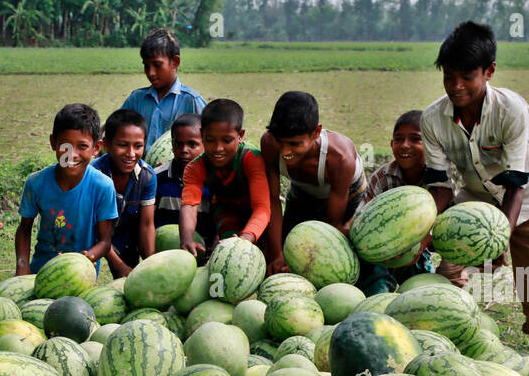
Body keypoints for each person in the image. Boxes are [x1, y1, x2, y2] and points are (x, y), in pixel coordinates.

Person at [419, 21, 529, 351]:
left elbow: (515, 183)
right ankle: (450, 349)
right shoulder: (433, 119)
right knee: (448, 272)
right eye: (449, 77)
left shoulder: (511, 109)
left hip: (528, 204)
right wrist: (424, 230)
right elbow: (439, 185)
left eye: (467, 77)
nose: (456, 86)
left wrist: (498, 243)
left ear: (489, 71)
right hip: (476, 200)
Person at [260, 90, 368, 273]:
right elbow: (272, 201)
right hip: (302, 193)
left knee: (330, 257)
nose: (285, 152)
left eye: (294, 144)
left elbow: (331, 227)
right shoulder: (269, 144)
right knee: (279, 250)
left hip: (349, 198)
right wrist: (278, 253)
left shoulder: (339, 158)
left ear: (316, 132)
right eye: (281, 142)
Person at [14, 104, 118, 275]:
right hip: (40, 272)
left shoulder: (103, 187)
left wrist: (86, 258)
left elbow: (105, 242)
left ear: (96, 148)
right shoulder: (36, 183)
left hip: (81, 277)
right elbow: (24, 229)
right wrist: (22, 265)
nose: (72, 154)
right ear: (53, 143)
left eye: (82, 146)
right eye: (65, 145)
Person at [353, 110, 445, 293]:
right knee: (375, 287)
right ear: (391, 144)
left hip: (417, 253)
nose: (405, 146)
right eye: (398, 139)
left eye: (415, 139)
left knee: (420, 292)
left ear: (430, 145)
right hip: (379, 255)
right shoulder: (381, 177)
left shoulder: (438, 182)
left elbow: (443, 224)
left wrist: (421, 244)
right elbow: (362, 219)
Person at [179, 98, 271, 258]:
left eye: (227, 140)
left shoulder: (251, 159)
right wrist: (187, 238)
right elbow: (189, 205)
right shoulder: (195, 167)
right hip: (227, 212)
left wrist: (246, 239)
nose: (218, 148)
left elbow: (262, 208)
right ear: (201, 135)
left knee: (264, 254)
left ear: (240, 135)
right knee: (231, 257)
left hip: (257, 215)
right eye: (210, 140)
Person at [91, 109, 156, 277]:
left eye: (138, 146)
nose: (131, 153)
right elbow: (93, 226)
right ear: (106, 144)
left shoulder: (147, 176)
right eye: (123, 145)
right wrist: (118, 265)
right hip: (92, 235)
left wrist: (152, 266)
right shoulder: (93, 176)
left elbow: (147, 225)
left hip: (126, 235)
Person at [121, 28, 207, 152]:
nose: (150, 73)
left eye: (157, 65)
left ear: (175, 62)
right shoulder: (136, 99)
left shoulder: (192, 100)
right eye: (146, 66)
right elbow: (113, 128)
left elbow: (211, 139)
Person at [154, 113, 213, 247]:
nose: (184, 150)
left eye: (192, 144)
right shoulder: (157, 177)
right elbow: (147, 221)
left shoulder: (214, 180)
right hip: (163, 256)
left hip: (205, 255)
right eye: (178, 144)